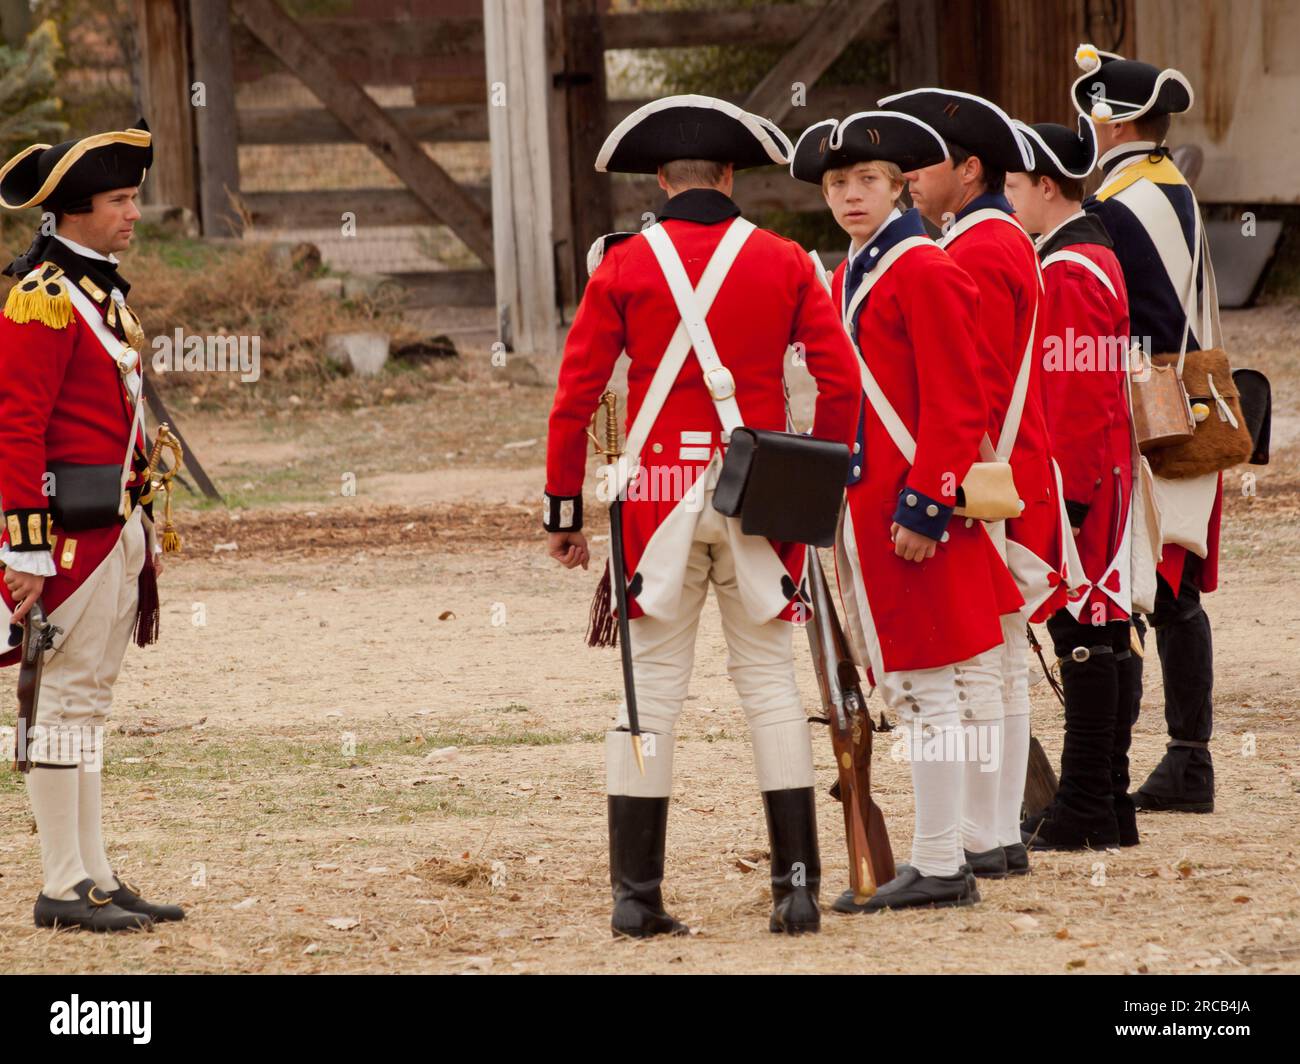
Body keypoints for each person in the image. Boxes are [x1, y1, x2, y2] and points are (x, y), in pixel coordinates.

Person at [543, 95, 861, 937]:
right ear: (729, 177)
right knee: (768, 687)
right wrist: (815, 486)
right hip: (759, 495)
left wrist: (562, 511)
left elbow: (573, 400)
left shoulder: (621, 267)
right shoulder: (788, 260)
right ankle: (795, 891)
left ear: (661, 179)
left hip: (653, 503)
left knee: (648, 700)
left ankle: (635, 897)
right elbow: (841, 386)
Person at [791, 110, 1022, 911]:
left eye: (866, 182)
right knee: (935, 682)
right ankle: (952, 848)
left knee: (929, 685)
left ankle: (939, 861)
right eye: (836, 184)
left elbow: (963, 399)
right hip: (873, 506)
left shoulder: (919, 267)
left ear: (898, 188)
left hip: (909, 509)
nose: (850, 195)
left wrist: (925, 507)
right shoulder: (855, 268)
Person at [879, 88, 1075, 877]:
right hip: (1000, 472)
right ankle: (990, 831)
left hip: (985, 481)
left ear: (969, 169)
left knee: (979, 665)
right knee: (993, 662)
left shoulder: (978, 249)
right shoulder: (990, 238)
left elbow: (973, 387)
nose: (907, 180)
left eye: (921, 165)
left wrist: (937, 481)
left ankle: (983, 831)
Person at [0, 118, 184, 931]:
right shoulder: (41, 297)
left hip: (115, 523)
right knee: (61, 701)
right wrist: (23, 549)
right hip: (64, 537)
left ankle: (94, 873)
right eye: (119, 199)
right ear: (73, 211)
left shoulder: (96, 290)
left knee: (88, 704)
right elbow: (15, 429)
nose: (132, 213)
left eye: (134, 198)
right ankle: (61, 882)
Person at [1071, 44, 1220, 813]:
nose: (1084, 128)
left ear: (1115, 122)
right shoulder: (1167, 184)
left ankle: (1152, 762)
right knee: (1176, 588)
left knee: (1147, 585)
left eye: (1091, 115)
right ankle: (1187, 759)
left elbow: (1145, 325)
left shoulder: (1120, 203)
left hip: (1151, 412)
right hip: (1186, 398)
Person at [1007, 117, 1141, 848]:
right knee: (1105, 632)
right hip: (1098, 470)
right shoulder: (1085, 252)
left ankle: (1089, 805)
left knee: (1085, 635)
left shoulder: (1067, 268)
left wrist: (1071, 496)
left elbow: (1080, 394)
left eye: (1014, 184)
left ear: (1047, 186)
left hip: (1084, 476)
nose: (1007, 196)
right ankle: (1107, 805)